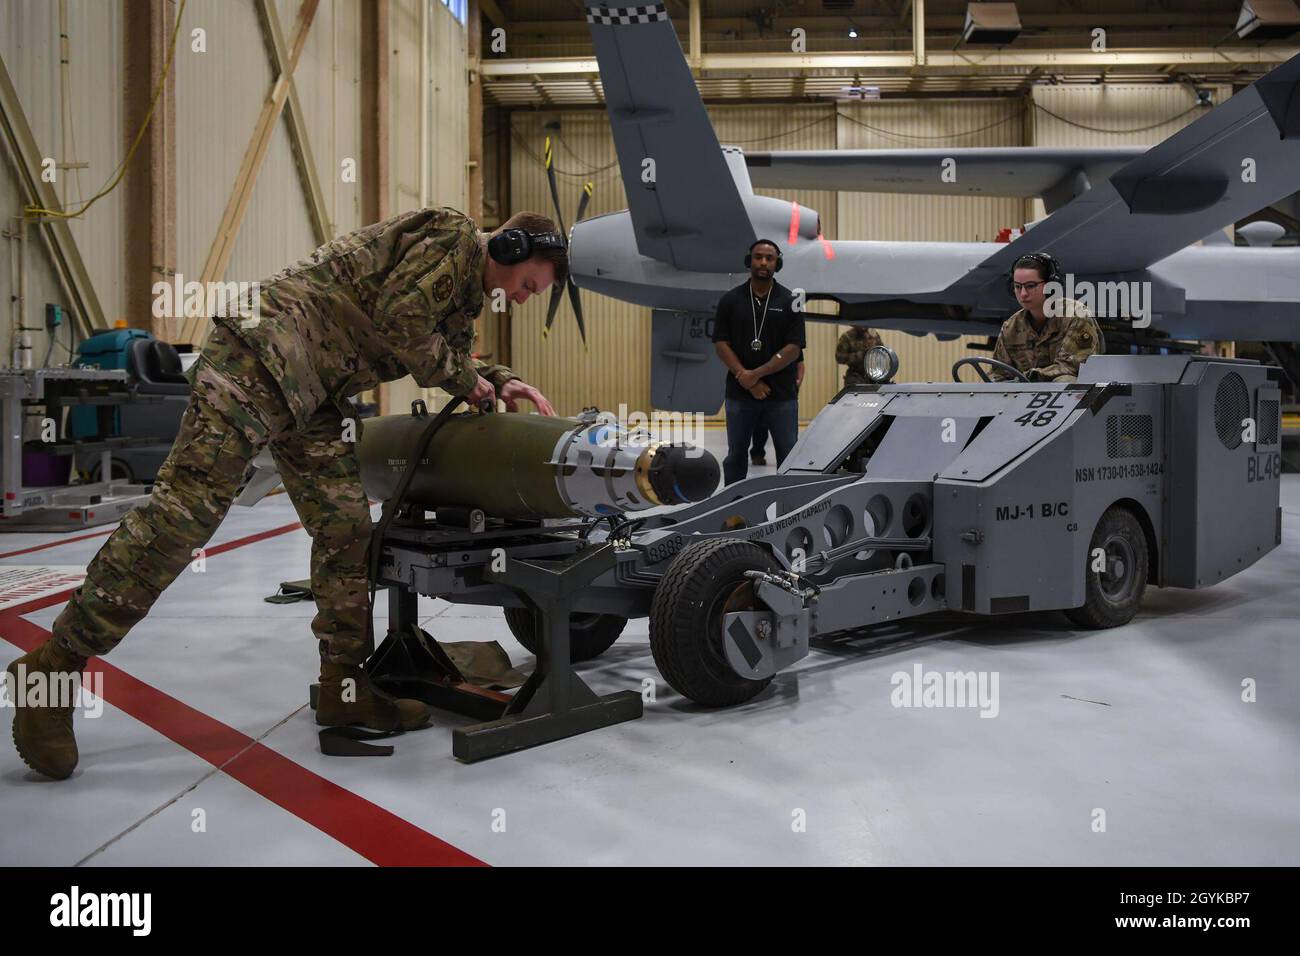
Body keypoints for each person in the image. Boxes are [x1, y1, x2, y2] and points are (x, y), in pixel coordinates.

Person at [6, 207, 562, 780]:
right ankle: (53, 668)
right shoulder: (452, 236)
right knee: (182, 518)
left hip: (313, 392)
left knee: (347, 527)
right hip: (259, 357)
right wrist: (468, 382)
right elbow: (404, 321)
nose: (523, 299)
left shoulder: (466, 295)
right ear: (511, 248)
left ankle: (344, 686)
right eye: (527, 285)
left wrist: (499, 380)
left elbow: (453, 352)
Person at [712, 238, 806, 485]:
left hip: (781, 396)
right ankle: (735, 506)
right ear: (749, 261)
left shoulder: (792, 301)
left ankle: (788, 506)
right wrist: (746, 377)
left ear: (777, 264)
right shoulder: (730, 300)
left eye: (769, 258)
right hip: (740, 394)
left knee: (788, 456)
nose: (763, 262)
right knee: (735, 457)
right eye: (758, 257)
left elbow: (793, 348)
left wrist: (755, 375)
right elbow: (721, 343)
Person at [990, 252, 1104, 382]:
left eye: (1030, 286)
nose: (1023, 294)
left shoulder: (1076, 316)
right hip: (1025, 391)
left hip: (1073, 391)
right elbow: (999, 374)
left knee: (1064, 381)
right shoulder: (1010, 327)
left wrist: (1027, 378)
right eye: (1017, 286)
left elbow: (1072, 367)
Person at [749, 353, 803, 466]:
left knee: (787, 439)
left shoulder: (792, 347)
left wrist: (797, 382)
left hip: (784, 393)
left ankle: (787, 466)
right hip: (760, 392)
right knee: (759, 427)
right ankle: (757, 453)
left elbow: (800, 363)